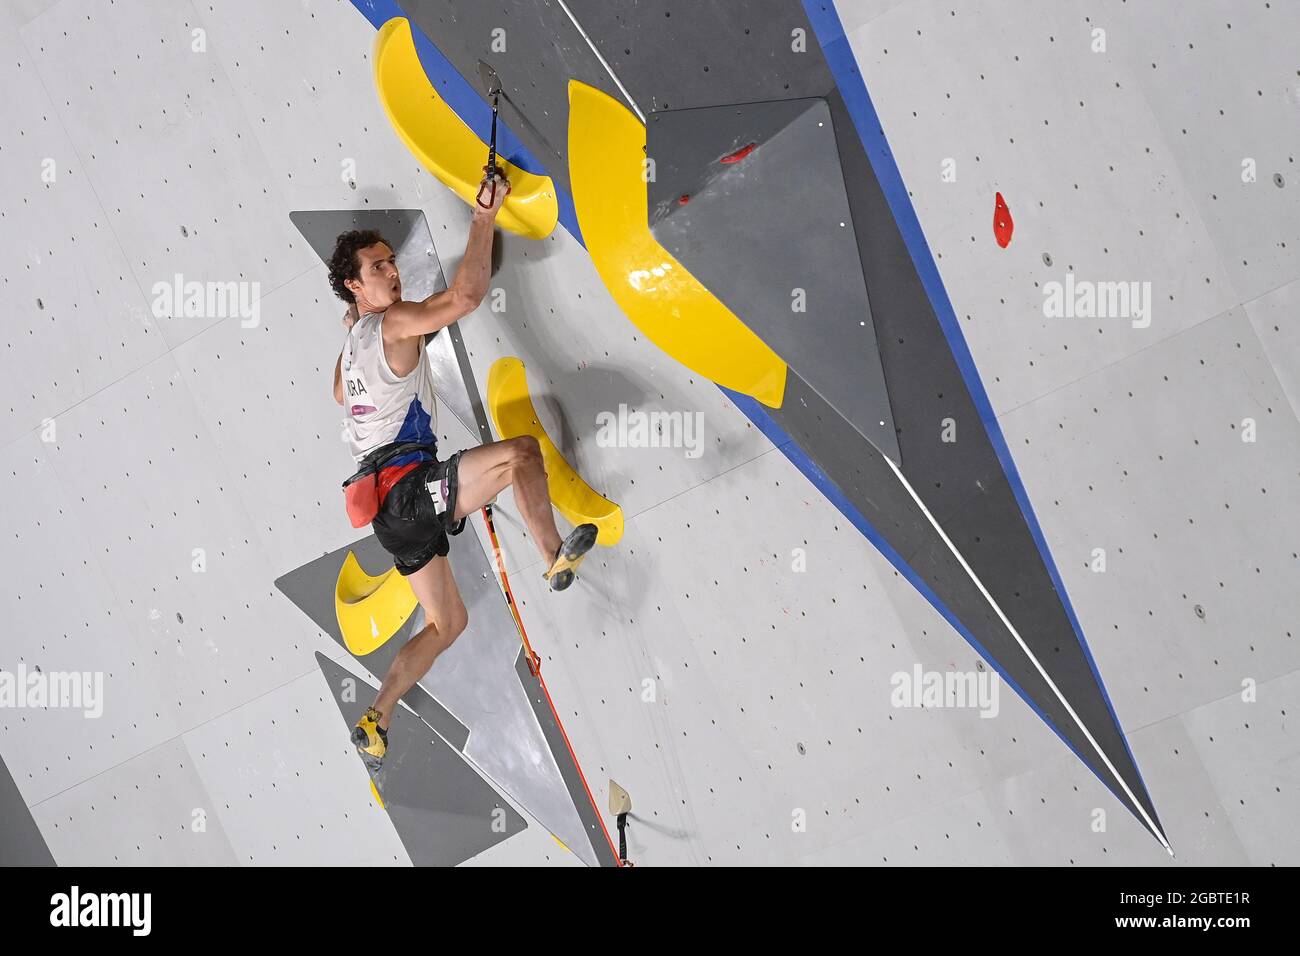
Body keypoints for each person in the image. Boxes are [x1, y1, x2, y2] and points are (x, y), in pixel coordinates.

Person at [327, 172, 597, 769]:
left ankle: (379, 715)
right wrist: (484, 216)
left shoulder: (352, 344)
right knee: (520, 454)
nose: (393, 273)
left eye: (392, 263)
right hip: (406, 492)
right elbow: (465, 300)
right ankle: (553, 554)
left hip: (389, 516)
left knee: (447, 622)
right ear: (354, 285)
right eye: (379, 269)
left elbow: (340, 395)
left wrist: (355, 321)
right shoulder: (393, 324)